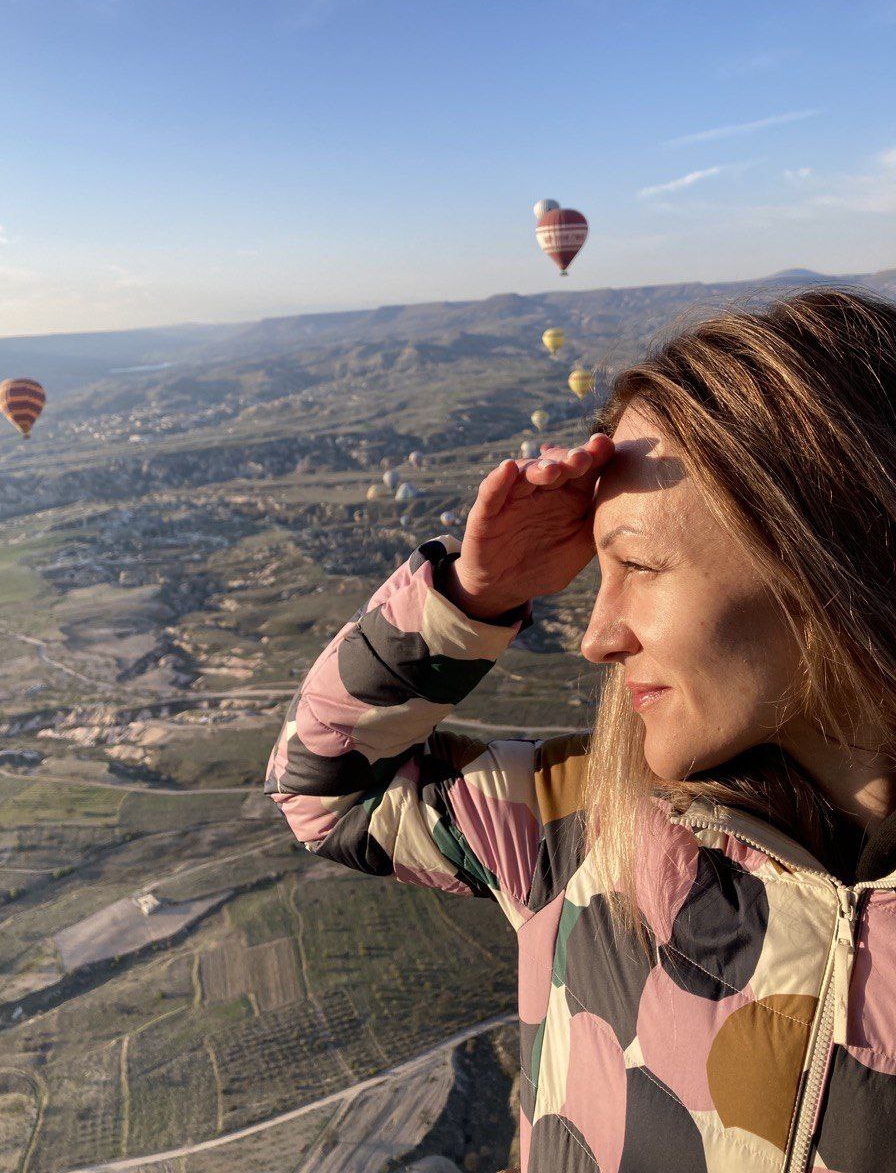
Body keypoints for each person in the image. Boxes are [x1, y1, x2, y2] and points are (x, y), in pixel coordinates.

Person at [265, 289, 896, 1173]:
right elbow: (322, 789)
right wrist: (469, 601)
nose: (597, 636)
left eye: (636, 565)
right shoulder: (582, 827)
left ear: (834, 545)